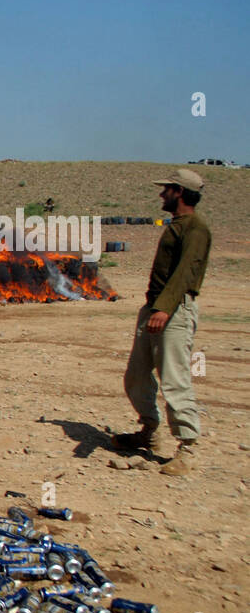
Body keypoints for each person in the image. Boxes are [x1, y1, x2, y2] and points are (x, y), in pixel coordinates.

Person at [112, 168, 210, 476]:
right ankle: (149, 432)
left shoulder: (195, 228)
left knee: (174, 377)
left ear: (180, 192)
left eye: (167, 189)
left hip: (173, 312)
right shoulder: (177, 225)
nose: (161, 194)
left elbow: (185, 273)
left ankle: (188, 448)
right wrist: (154, 308)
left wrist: (164, 310)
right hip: (155, 308)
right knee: (136, 375)